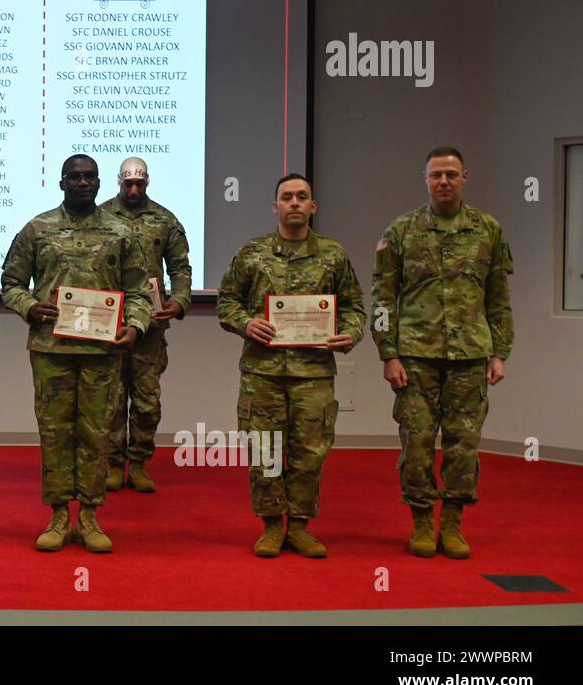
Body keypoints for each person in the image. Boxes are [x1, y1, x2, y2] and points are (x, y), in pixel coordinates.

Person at [0, 154, 150, 553]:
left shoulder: (121, 232)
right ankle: (58, 514)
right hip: (52, 350)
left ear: (100, 184)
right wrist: (29, 307)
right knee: (55, 433)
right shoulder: (37, 229)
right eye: (75, 177)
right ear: (62, 183)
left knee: (96, 434)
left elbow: (139, 290)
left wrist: (135, 326)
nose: (83, 183)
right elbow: (11, 282)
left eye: (90, 177)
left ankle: (89, 514)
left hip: (102, 352)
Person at [372, 146, 513, 559]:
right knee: (416, 443)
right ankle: (420, 522)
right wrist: (388, 354)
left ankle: (451, 524)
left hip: (471, 355)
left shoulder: (488, 229)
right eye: (436, 175)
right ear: (426, 179)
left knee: (463, 445)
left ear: (464, 176)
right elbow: (383, 300)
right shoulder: (400, 231)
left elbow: (499, 297)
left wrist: (500, 351)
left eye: (451, 174)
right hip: (415, 356)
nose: (444, 182)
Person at [216, 174, 365, 557]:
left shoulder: (333, 255)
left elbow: (353, 307)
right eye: (287, 197)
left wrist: (350, 333)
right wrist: (246, 322)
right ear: (275, 207)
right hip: (262, 372)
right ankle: (270, 525)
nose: (295, 203)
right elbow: (226, 301)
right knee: (264, 450)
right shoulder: (251, 253)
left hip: (313, 373)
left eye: (302, 197)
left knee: (309, 452)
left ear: (313, 206)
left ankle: (299, 526)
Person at [100, 156, 192, 492]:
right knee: (110, 399)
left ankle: (137, 463)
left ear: (148, 182)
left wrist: (179, 300)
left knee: (146, 401)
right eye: (129, 183)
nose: (134, 189)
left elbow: (180, 267)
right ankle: (111, 464)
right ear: (119, 182)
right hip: (110, 321)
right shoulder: (101, 216)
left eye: (140, 183)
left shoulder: (165, 220)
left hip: (151, 326)